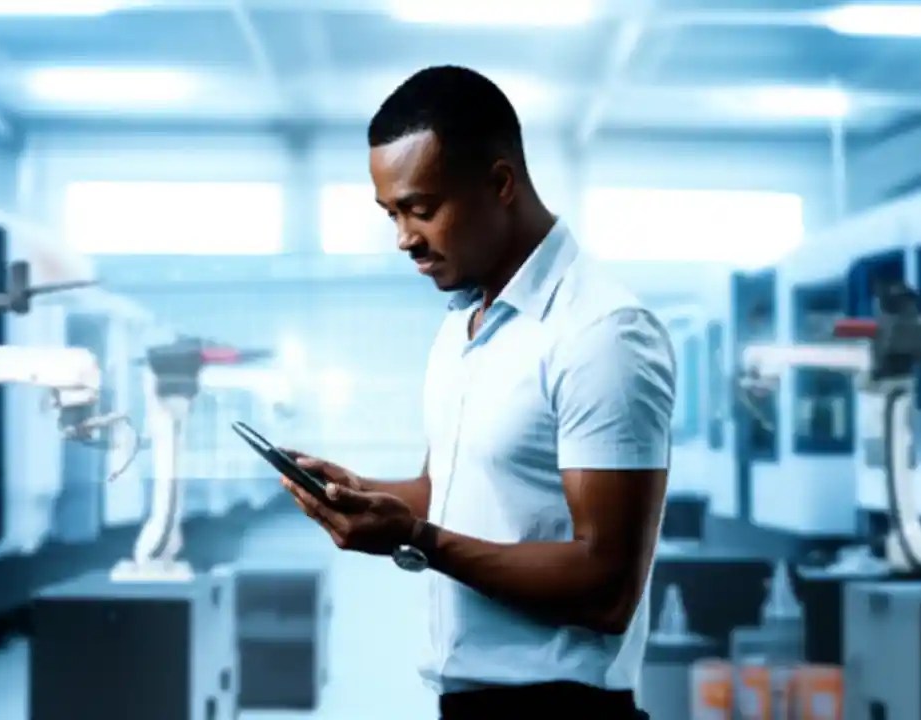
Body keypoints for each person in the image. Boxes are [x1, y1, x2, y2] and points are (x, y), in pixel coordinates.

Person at [280, 65, 676, 720]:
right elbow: (450, 491)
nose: (404, 238)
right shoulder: (464, 324)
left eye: (421, 210)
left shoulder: (602, 333)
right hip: (466, 703)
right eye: (391, 214)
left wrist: (419, 540)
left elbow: (607, 588)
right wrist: (358, 493)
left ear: (500, 184)